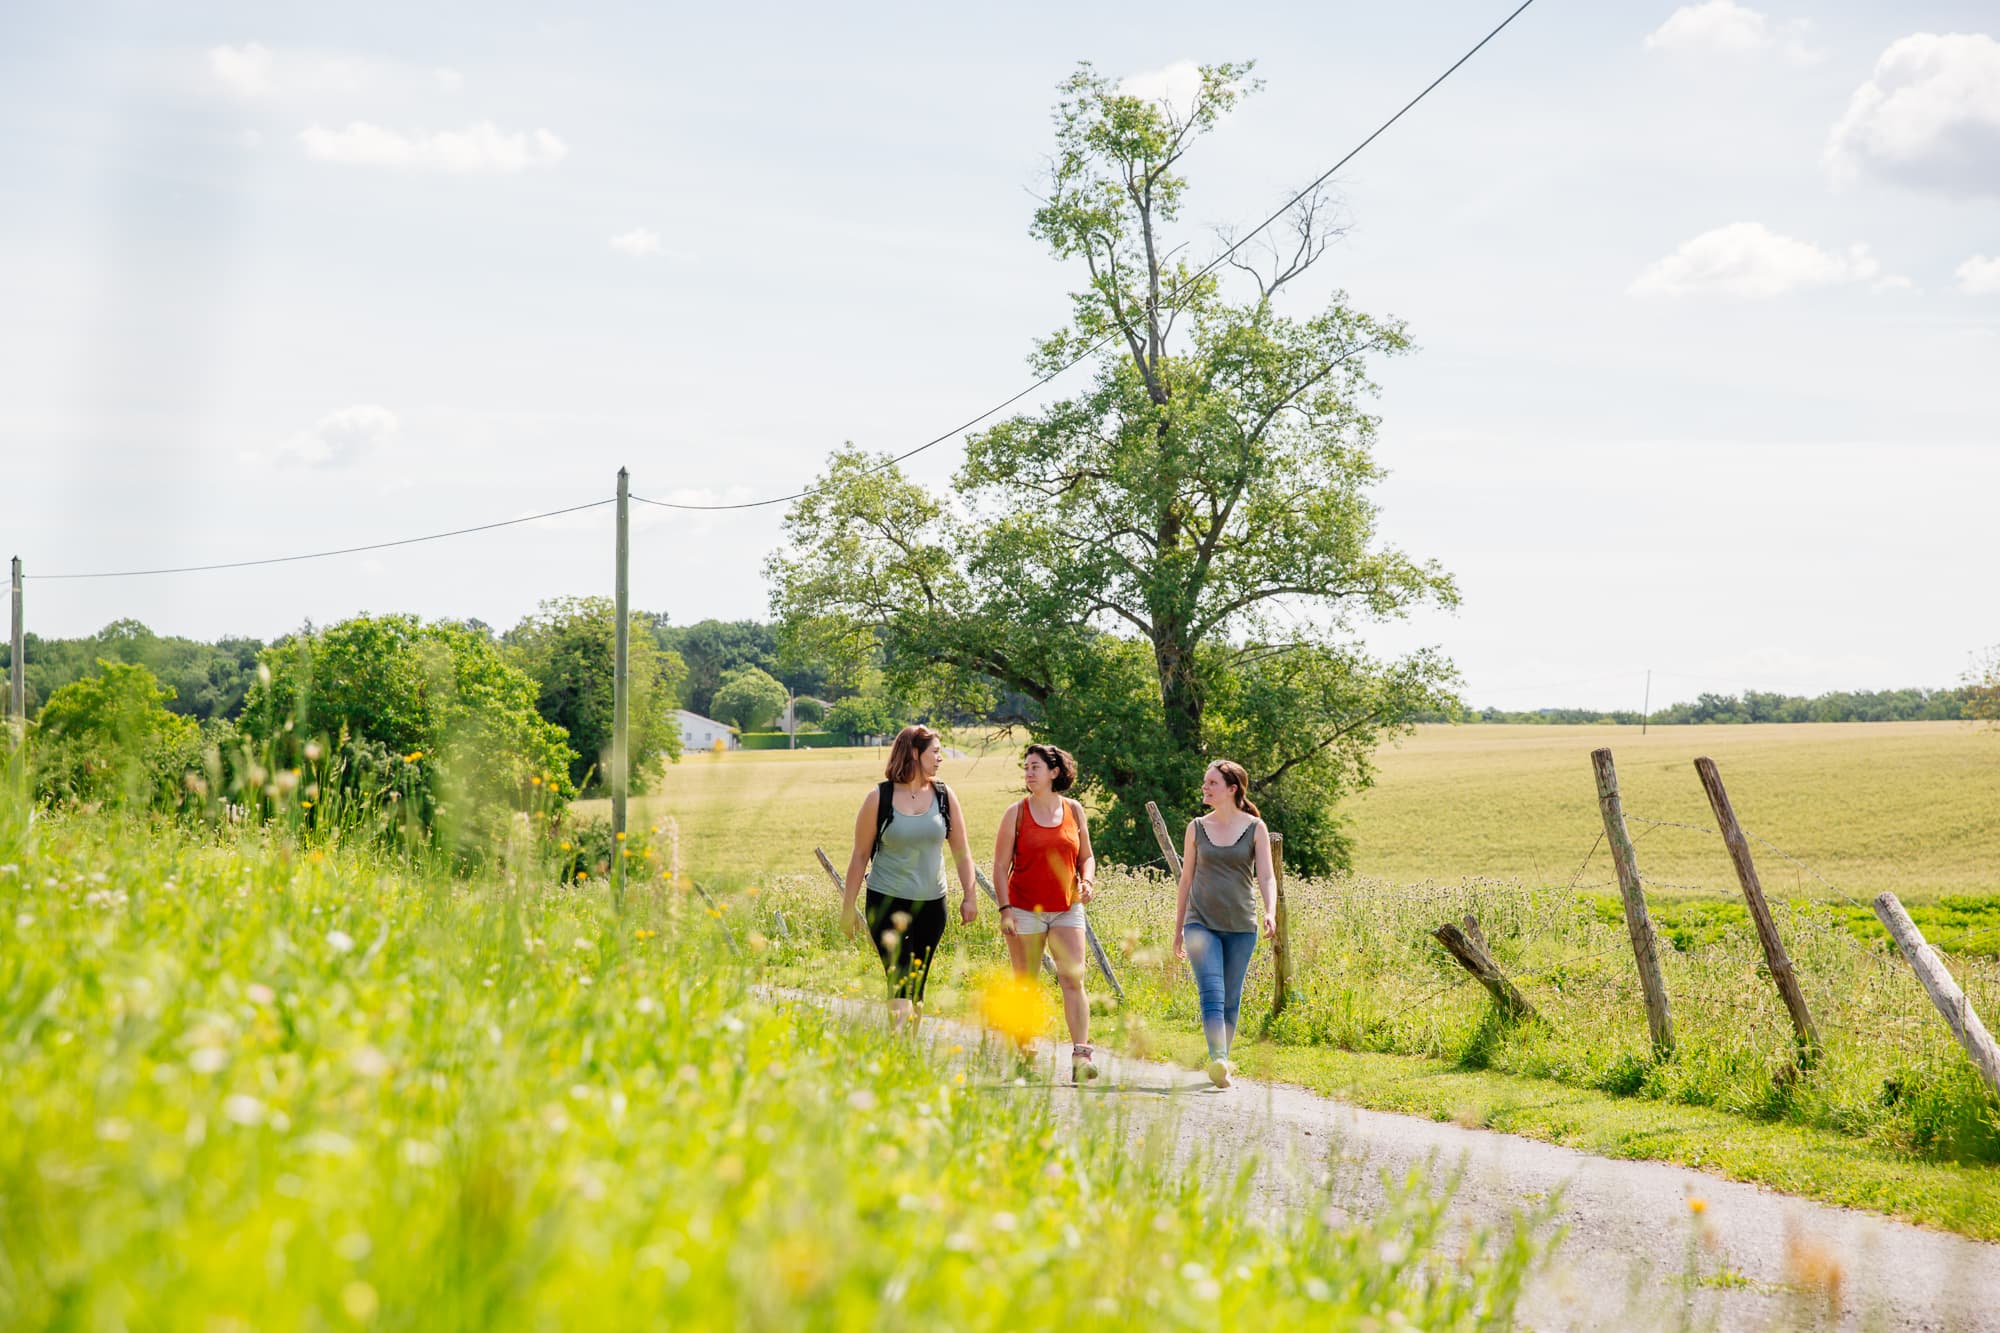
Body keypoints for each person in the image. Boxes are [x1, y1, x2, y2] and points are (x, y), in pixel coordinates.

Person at [840, 724, 978, 1032]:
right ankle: (899, 1044)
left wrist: (970, 896)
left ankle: (909, 1050)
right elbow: (860, 856)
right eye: (935, 752)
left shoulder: (944, 795)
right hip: (887, 901)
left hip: (932, 904)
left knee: (917, 983)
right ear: (915, 753)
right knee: (900, 978)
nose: (940, 758)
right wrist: (848, 908)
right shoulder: (879, 797)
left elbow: (961, 851)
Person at [992, 743, 1099, 1082]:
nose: (1029, 773)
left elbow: (1086, 856)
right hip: (1025, 908)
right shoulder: (1016, 813)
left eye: (1035, 767)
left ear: (1055, 772)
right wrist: (1005, 909)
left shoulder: (1074, 810)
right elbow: (1000, 866)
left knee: (1073, 978)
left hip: (1067, 907)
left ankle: (1081, 1056)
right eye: (1026, 767)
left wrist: (1088, 881)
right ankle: (1026, 1055)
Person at [1172, 759, 1278, 1088]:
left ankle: (1223, 1063)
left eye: (1212, 783)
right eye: (1205, 782)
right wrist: (1178, 928)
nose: (1205, 787)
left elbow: (1266, 875)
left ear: (1232, 789)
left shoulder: (1255, 828)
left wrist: (1270, 911)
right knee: (1212, 992)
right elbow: (1186, 879)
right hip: (1200, 922)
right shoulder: (1196, 827)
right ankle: (1218, 1056)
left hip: (1242, 926)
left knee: (1231, 997)